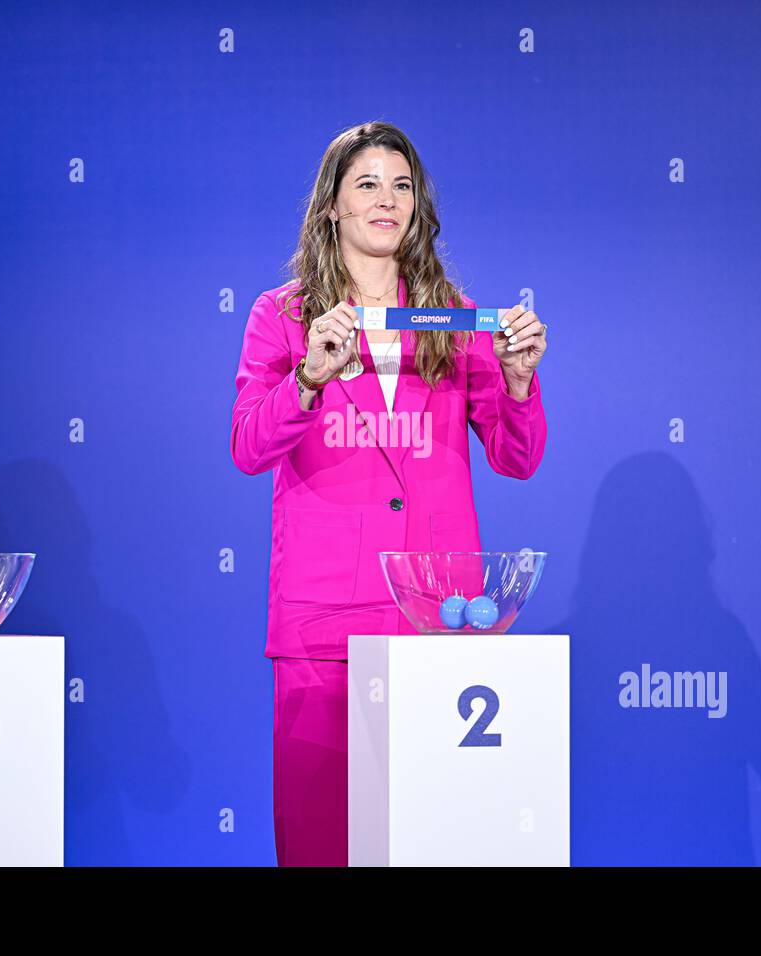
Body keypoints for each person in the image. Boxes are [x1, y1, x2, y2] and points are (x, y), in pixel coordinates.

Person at [230, 121, 550, 866]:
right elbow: (248, 446)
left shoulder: (455, 317)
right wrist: (307, 376)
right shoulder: (282, 317)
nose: (387, 200)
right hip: (324, 632)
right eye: (367, 184)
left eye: (401, 185)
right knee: (321, 847)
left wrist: (520, 379)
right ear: (333, 207)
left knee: (436, 843)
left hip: (437, 620)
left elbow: (516, 456)